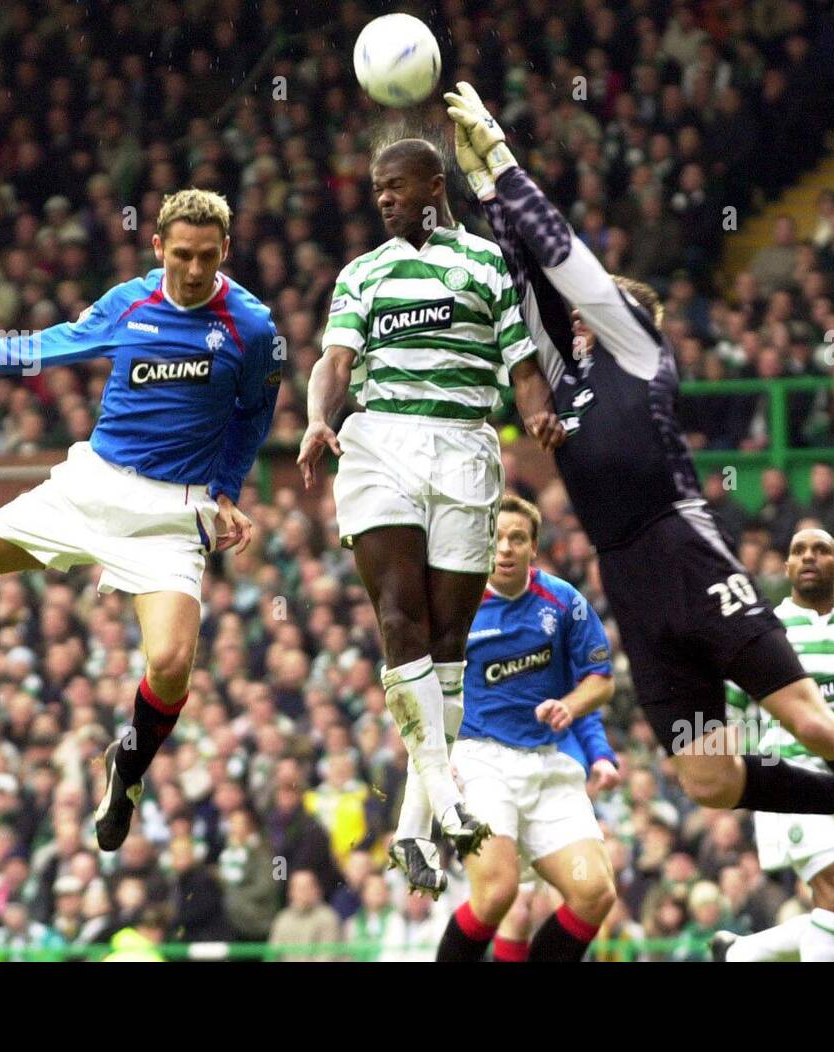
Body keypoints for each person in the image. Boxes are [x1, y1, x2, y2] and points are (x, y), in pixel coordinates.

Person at [444, 80, 834, 913]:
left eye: (602, 305)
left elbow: (559, 258)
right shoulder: (570, 376)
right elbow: (526, 285)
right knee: (707, 777)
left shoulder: (637, 348)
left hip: (684, 549)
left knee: (809, 720)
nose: (585, 314)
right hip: (629, 576)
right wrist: (483, 191)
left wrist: (505, 158)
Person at [0, 189, 277, 853]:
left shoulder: (253, 327)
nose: (194, 269)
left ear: (225, 251)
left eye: (207, 256)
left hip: (173, 512)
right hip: (91, 486)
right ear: (158, 249)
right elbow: (66, 343)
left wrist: (228, 489)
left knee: (173, 662)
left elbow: (253, 414)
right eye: (181, 254)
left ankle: (125, 766)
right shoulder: (132, 301)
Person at [296, 137, 561, 887]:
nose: (383, 197)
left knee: (448, 647)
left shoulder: (484, 265)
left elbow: (521, 365)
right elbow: (336, 362)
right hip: (381, 441)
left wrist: (538, 417)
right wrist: (320, 417)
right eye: (376, 187)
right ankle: (446, 794)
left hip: (466, 449)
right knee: (399, 617)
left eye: (396, 185)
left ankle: (412, 829)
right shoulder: (362, 274)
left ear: (433, 186)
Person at [713, 528, 834, 962]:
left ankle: (739, 954)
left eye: (821, 550)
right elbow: (732, 711)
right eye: (798, 550)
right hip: (791, 779)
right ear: (786, 567)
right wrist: (749, 775)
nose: (808, 557)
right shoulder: (762, 629)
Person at [435, 494, 618, 962]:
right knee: (499, 894)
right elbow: (421, 686)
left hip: (549, 763)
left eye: (518, 538)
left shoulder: (563, 601)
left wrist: (569, 705)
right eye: (496, 538)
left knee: (595, 893)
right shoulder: (456, 602)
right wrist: (437, 760)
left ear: (534, 547)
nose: (506, 548)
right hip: (480, 762)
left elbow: (601, 679)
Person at [490, 703, 622, 963]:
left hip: (556, 794)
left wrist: (600, 755)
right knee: (517, 912)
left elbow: (586, 702)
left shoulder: (559, 669)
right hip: (500, 786)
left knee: (587, 894)